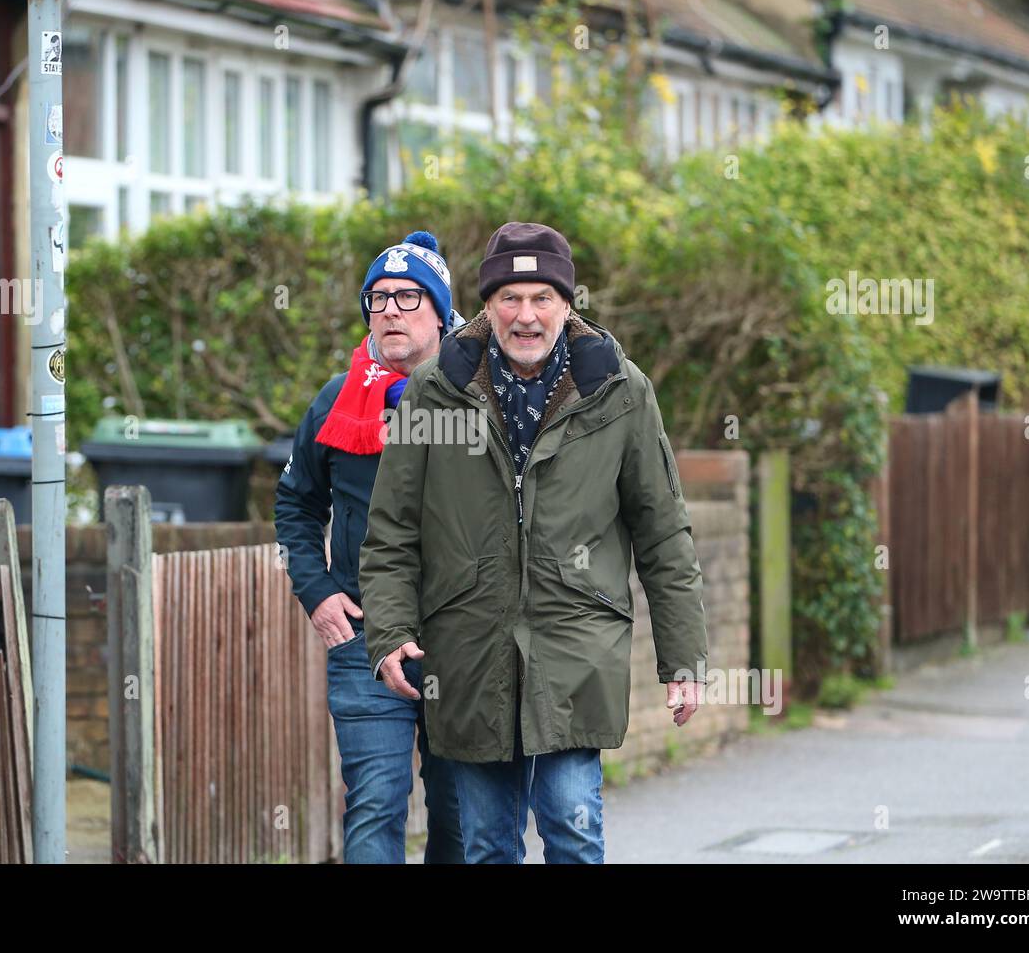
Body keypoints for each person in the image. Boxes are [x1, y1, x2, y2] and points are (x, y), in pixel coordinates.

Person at [359, 221, 708, 863]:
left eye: (542, 298)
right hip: (467, 650)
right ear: (486, 306)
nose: (526, 315)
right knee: (488, 847)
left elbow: (663, 534)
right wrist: (388, 632)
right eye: (510, 298)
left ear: (567, 304)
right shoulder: (436, 390)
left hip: (577, 648)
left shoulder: (621, 392)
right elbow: (391, 531)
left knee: (572, 831)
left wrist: (683, 660)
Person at [274, 230, 465, 863]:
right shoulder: (336, 401)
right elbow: (297, 502)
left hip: (465, 635)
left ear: (441, 311)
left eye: (409, 297)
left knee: (460, 815)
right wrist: (317, 592)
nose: (389, 310)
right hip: (363, 634)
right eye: (377, 298)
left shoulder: (483, 398)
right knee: (375, 806)